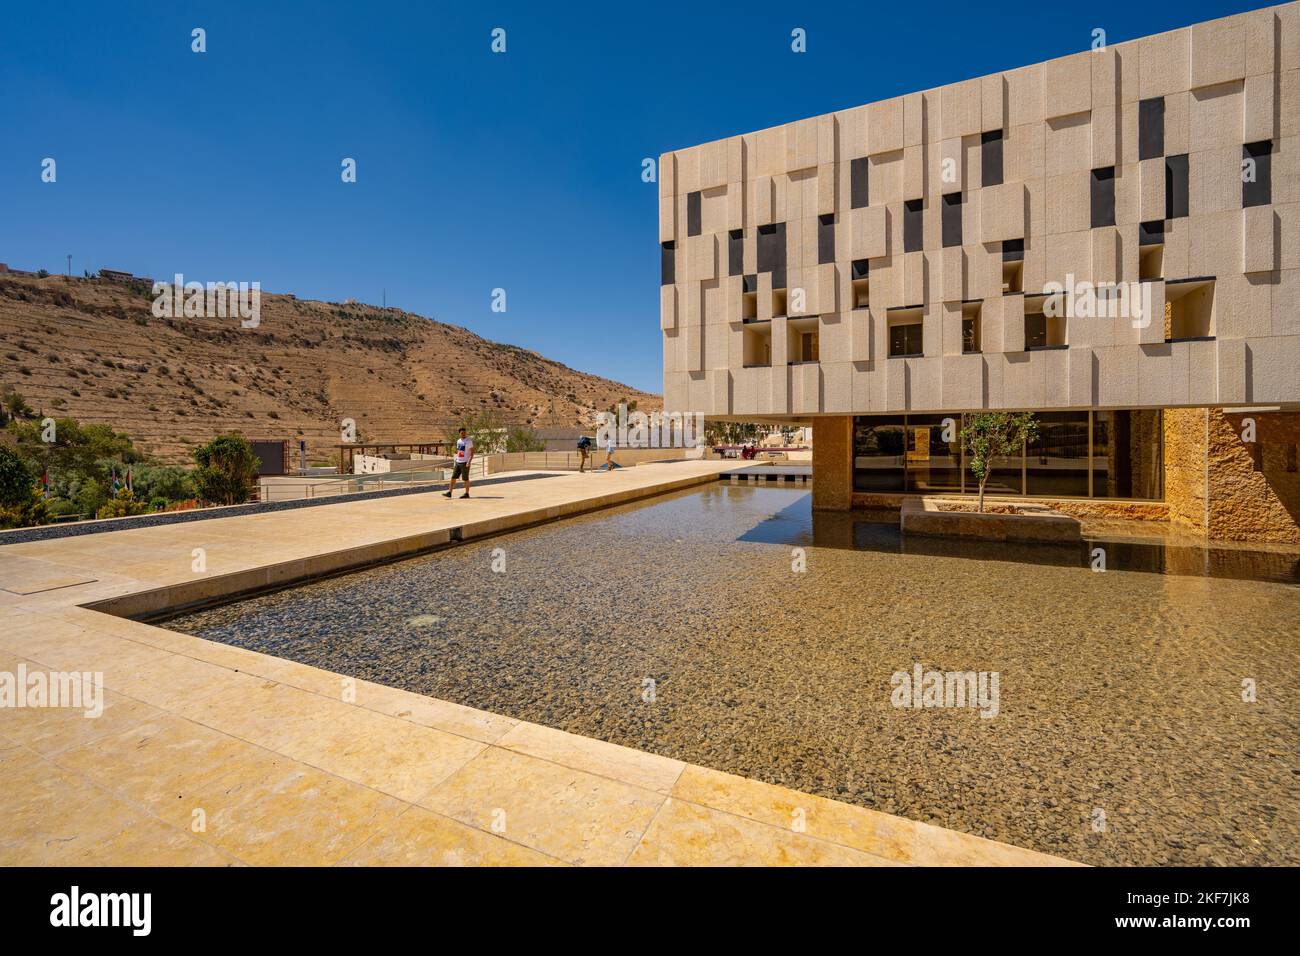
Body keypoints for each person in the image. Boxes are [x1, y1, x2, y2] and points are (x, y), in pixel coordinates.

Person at [443, 427, 473, 498]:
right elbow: (459, 451)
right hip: (458, 462)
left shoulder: (469, 441)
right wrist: (456, 459)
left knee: (465, 478)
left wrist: (469, 461)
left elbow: (472, 453)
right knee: (453, 477)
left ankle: (467, 493)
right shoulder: (458, 441)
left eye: (464, 432)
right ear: (459, 433)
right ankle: (449, 492)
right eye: (462, 433)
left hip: (465, 462)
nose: (463, 434)